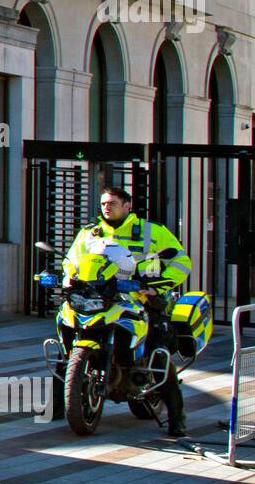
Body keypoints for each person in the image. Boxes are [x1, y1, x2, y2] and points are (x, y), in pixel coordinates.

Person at [63, 185, 194, 436]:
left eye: (112, 203)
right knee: (68, 341)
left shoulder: (151, 231)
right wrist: (68, 278)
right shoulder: (90, 233)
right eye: (103, 203)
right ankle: (63, 405)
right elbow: (71, 261)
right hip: (99, 299)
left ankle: (177, 418)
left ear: (127, 205)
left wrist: (158, 286)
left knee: (158, 349)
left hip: (141, 300)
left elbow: (180, 261)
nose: (106, 207)